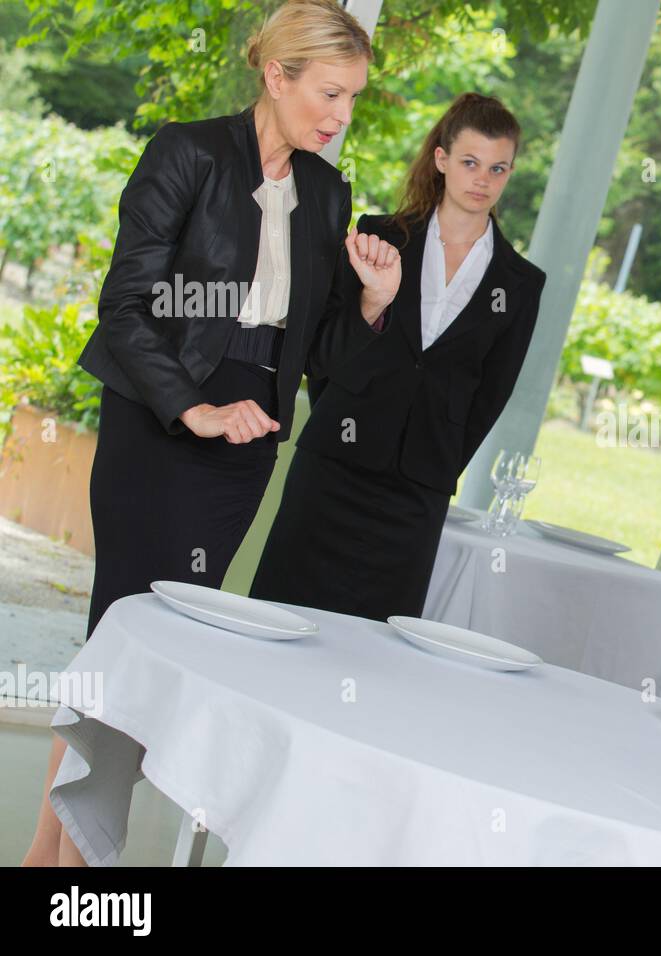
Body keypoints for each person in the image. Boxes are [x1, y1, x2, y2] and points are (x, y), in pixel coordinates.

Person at [21, 0, 397, 866]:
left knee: (168, 657)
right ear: (277, 76)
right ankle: (58, 861)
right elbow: (126, 309)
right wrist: (192, 406)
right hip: (162, 424)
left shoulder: (327, 191)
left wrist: (371, 304)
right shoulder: (186, 152)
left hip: (246, 442)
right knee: (122, 644)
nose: (341, 117)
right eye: (331, 94)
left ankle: (65, 858)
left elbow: (321, 360)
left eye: (353, 101)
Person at [249, 93, 546, 621]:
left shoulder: (520, 283)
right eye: (470, 162)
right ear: (441, 159)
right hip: (333, 467)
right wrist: (344, 415)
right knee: (280, 614)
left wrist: (436, 462)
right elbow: (326, 353)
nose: (482, 180)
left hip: (418, 492)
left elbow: (491, 396)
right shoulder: (377, 236)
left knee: (374, 644)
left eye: (497, 168)